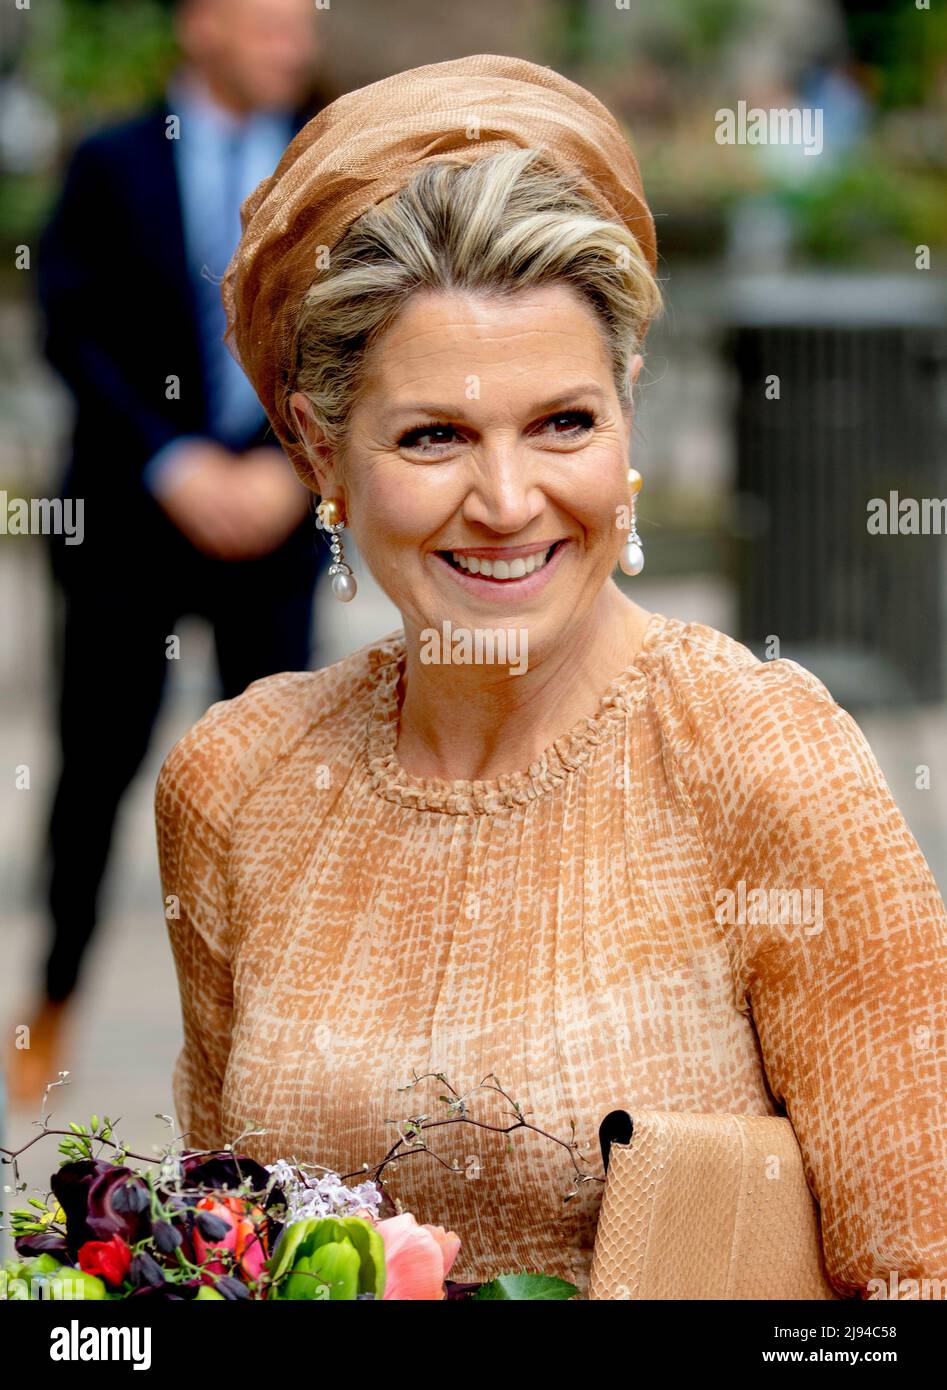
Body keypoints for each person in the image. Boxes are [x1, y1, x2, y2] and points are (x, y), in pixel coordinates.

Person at [155, 55, 947, 1295]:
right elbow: (216, 1253)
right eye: (433, 436)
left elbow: (917, 1275)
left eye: (563, 422)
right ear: (320, 449)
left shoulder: (759, 759)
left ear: (628, 409)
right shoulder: (234, 782)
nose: (510, 502)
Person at [5, 0, 329, 1106]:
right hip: (132, 524)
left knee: (283, 787)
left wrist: (293, 466)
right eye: (264, 19)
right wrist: (171, 463)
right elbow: (70, 328)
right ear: (199, 24)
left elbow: (366, 327)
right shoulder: (111, 160)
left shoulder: (325, 157)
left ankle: (280, 1029)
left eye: (300, 19)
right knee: (95, 766)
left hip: (279, 515)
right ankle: (49, 1000)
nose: (290, 38)